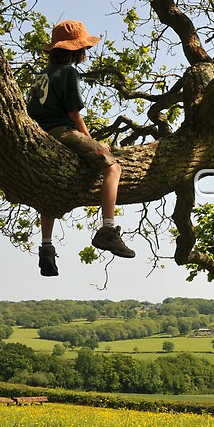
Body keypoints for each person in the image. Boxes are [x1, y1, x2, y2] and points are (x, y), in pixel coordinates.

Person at [26, 20, 135, 276]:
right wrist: (93, 141)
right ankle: (108, 230)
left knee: (51, 189)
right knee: (113, 168)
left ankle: (46, 248)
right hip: (61, 132)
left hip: (40, 138)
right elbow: (74, 113)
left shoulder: (43, 74)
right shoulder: (67, 72)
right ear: (75, 50)